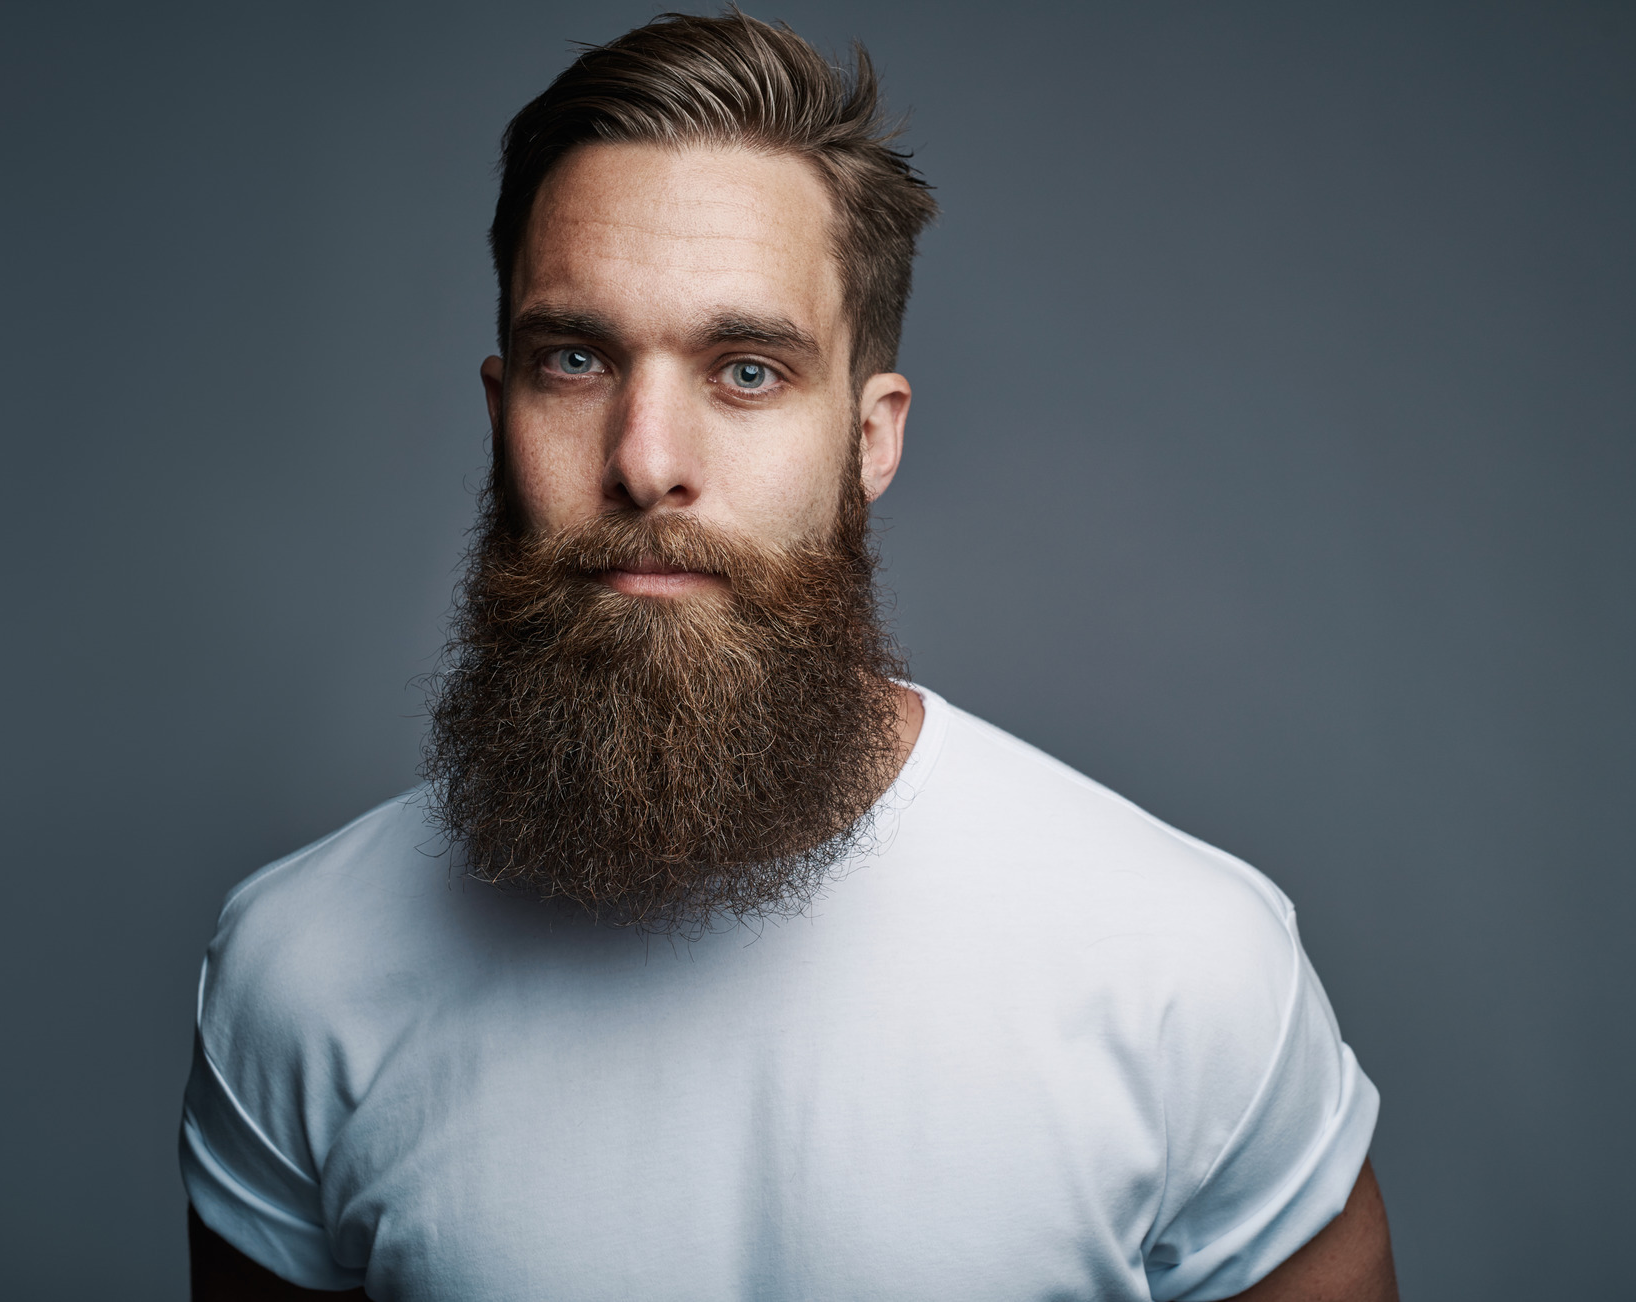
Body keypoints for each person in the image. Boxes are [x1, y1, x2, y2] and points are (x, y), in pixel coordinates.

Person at [179, 11, 1396, 1300]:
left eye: (748, 370)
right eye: (576, 360)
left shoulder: (1185, 967)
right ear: (502, 410)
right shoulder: (298, 972)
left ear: (871, 438)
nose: (647, 460)